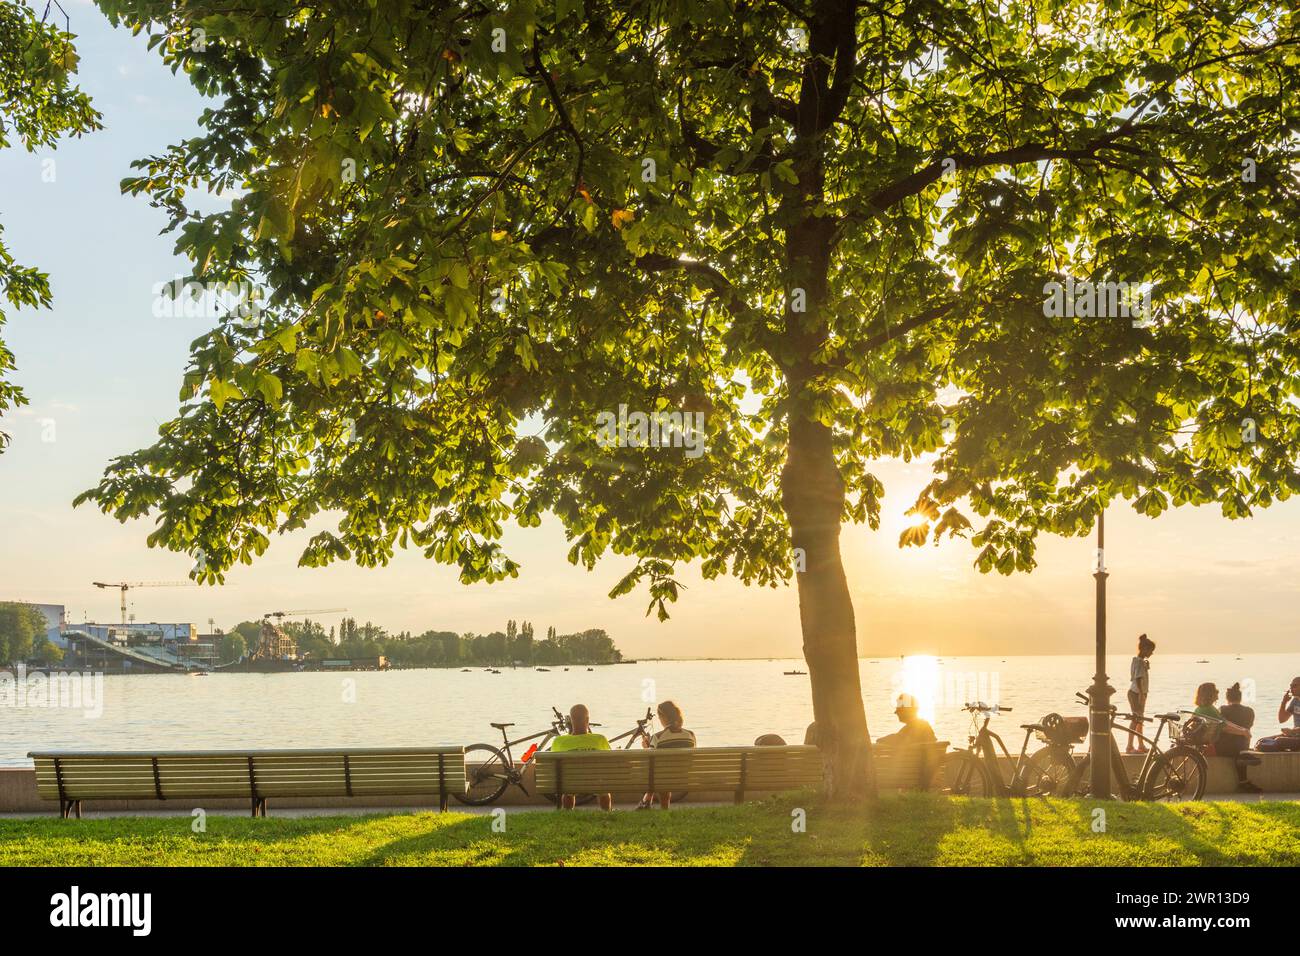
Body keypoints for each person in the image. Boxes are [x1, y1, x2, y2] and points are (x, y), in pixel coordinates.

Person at [550, 704, 612, 810]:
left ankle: (568, 813)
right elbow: (610, 762)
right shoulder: (600, 739)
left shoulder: (559, 741)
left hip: (571, 782)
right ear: (587, 720)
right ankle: (607, 813)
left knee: (568, 790)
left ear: (570, 720)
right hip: (596, 781)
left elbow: (552, 765)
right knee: (604, 790)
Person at [636, 700, 696, 809]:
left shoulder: (658, 737)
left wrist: (646, 747)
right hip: (686, 776)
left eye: (659, 717)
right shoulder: (690, 735)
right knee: (664, 772)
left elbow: (649, 760)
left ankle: (647, 803)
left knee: (657, 772)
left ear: (664, 717)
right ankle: (646, 803)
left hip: (663, 777)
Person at [1219, 682, 1261, 793]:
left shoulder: (1222, 709)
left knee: (1238, 751)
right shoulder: (1249, 711)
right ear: (1240, 698)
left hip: (1225, 747)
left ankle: (1243, 782)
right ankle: (1243, 782)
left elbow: (1221, 728)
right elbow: (1248, 728)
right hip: (1242, 746)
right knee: (1241, 752)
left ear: (1227, 698)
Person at [1191, 683, 1251, 751]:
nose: (1217, 691)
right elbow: (1224, 727)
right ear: (1210, 694)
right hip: (1210, 747)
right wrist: (1243, 732)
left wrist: (1242, 729)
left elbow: (1225, 722)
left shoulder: (1205, 708)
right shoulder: (1208, 710)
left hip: (1207, 744)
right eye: (1215, 690)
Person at [1127, 634, 1155, 753]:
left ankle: (1140, 745)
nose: (1152, 653)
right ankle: (1129, 746)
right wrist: (1142, 695)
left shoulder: (1139, 661)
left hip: (1138, 693)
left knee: (1139, 720)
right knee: (1136, 719)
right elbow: (1138, 679)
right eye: (1151, 651)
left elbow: (1139, 676)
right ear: (1144, 649)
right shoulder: (1139, 662)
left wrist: (1146, 667)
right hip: (1136, 693)